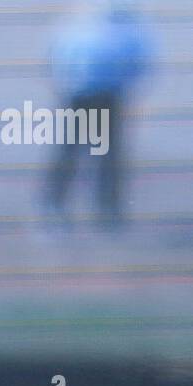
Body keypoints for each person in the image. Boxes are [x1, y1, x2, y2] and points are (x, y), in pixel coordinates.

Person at [45, 0, 154, 226]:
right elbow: (140, 65)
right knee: (90, 153)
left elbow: (57, 54)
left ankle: (70, 207)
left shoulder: (83, 23)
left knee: (84, 152)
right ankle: (74, 207)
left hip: (91, 94)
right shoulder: (125, 29)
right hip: (94, 94)